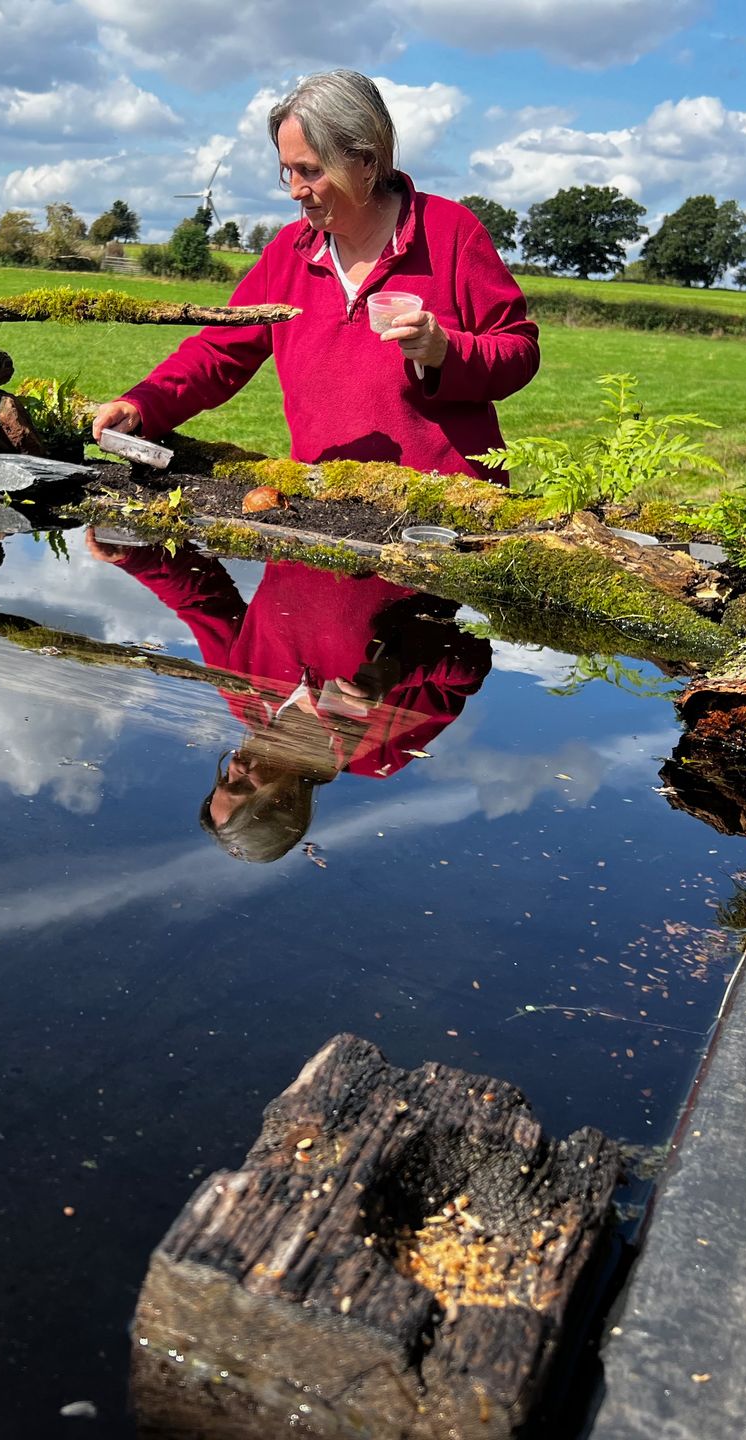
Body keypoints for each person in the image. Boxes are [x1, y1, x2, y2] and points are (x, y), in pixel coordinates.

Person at [93, 69, 540, 478]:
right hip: (324, 506)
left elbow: (519, 351)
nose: (294, 190)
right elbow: (218, 353)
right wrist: (143, 403)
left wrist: (447, 352)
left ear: (366, 161)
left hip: (442, 519)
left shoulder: (450, 233)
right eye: (287, 170)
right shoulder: (288, 252)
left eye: (310, 170)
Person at [84, 529, 494, 862]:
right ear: (284, 802)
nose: (235, 766)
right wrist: (400, 668)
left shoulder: (244, 698)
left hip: (313, 509)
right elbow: (470, 665)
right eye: (242, 786)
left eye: (225, 779)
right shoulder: (376, 753)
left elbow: (203, 601)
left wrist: (138, 556)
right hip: (421, 532)